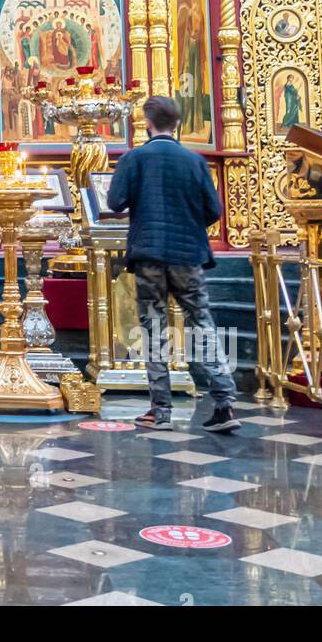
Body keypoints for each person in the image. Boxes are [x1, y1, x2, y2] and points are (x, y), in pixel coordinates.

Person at [106, 96, 239, 433]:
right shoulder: (194, 162)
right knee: (202, 322)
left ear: (147, 122)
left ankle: (160, 410)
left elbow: (115, 202)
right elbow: (213, 210)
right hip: (188, 254)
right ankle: (224, 401)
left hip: (150, 253)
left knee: (153, 328)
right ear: (176, 123)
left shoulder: (135, 158)